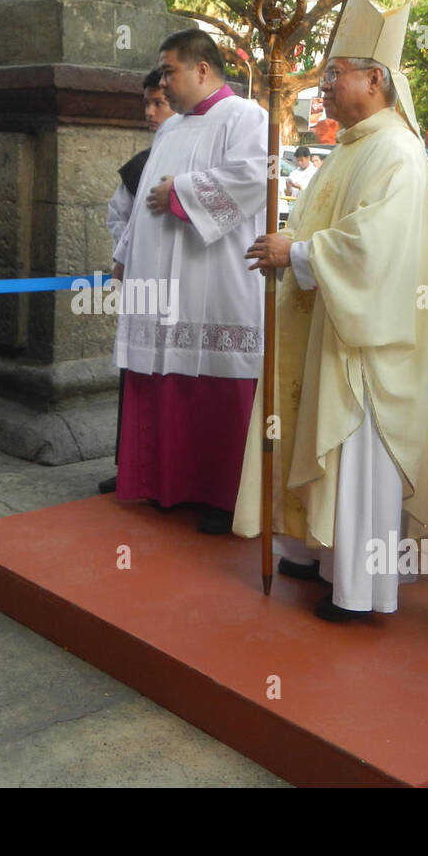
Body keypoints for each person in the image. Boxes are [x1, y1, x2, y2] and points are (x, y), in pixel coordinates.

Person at [235, 0, 428, 621]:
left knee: (358, 456)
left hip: (368, 348)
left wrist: (294, 252)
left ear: (376, 80)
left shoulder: (398, 153)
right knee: (327, 445)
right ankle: (321, 556)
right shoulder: (353, 147)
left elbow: (371, 250)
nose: (323, 87)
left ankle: (360, 591)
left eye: (334, 74)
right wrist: (296, 249)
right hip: (330, 325)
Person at [111, 28, 268, 533]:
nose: (163, 81)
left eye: (169, 70)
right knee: (164, 378)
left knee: (217, 387)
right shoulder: (170, 129)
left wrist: (178, 193)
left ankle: (226, 500)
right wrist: (123, 255)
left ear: (202, 70)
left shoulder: (247, 118)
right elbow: (139, 205)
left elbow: (253, 178)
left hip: (216, 281)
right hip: (159, 284)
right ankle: (166, 486)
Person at [99, 68, 176, 494]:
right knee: (136, 373)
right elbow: (119, 216)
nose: (150, 112)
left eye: (158, 103)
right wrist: (132, 252)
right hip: (144, 282)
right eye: (146, 104)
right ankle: (130, 463)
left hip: (183, 287)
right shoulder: (140, 165)